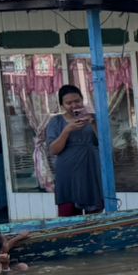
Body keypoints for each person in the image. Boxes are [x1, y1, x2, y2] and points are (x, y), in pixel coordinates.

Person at [43, 85, 103, 217]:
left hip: (90, 169)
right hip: (67, 172)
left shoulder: (94, 118)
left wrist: (93, 124)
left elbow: (105, 144)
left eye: (77, 101)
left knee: (95, 217)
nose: (74, 105)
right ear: (62, 105)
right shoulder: (56, 122)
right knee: (67, 216)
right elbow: (53, 150)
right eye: (69, 103)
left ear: (82, 100)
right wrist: (67, 130)